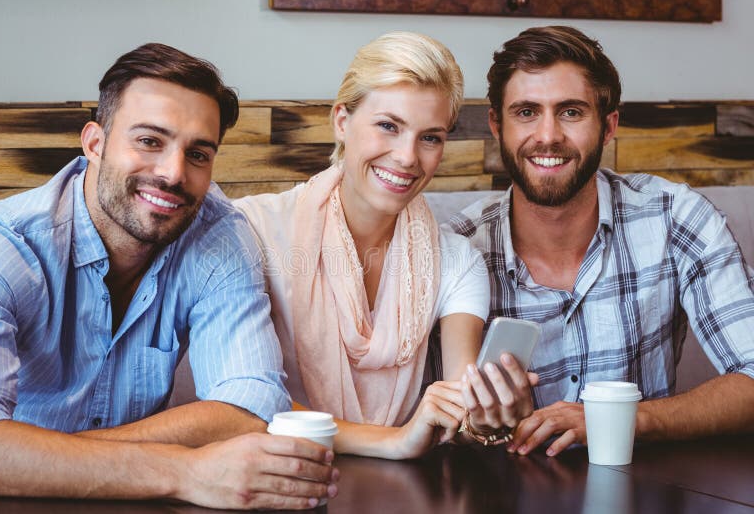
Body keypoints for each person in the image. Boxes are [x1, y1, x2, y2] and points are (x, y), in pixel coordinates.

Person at [0, 43, 338, 510]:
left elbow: (253, 403)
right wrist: (182, 470)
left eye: (198, 154)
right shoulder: (0, 243)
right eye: (150, 141)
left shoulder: (219, 234)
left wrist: (46, 458)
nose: (174, 174)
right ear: (94, 143)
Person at [446, 25, 754, 457]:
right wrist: (481, 427)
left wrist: (626, 419)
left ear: (608, 126)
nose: (549, 135)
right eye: (526, 112)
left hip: (650, 487)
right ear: (497, 125)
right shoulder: (458, 251)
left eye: (571, 112)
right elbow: (432, 422)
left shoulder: (675, 218)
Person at [235, 31, 536, 460]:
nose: (408, 157)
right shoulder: (254, 229)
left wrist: (486, 417)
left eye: (430, 137)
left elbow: (462, 408)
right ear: (342, 121)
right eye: (388, 126)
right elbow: (245, 405)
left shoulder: (455, 261)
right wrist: (395, 441)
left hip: (397, 490)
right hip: (271, 475)